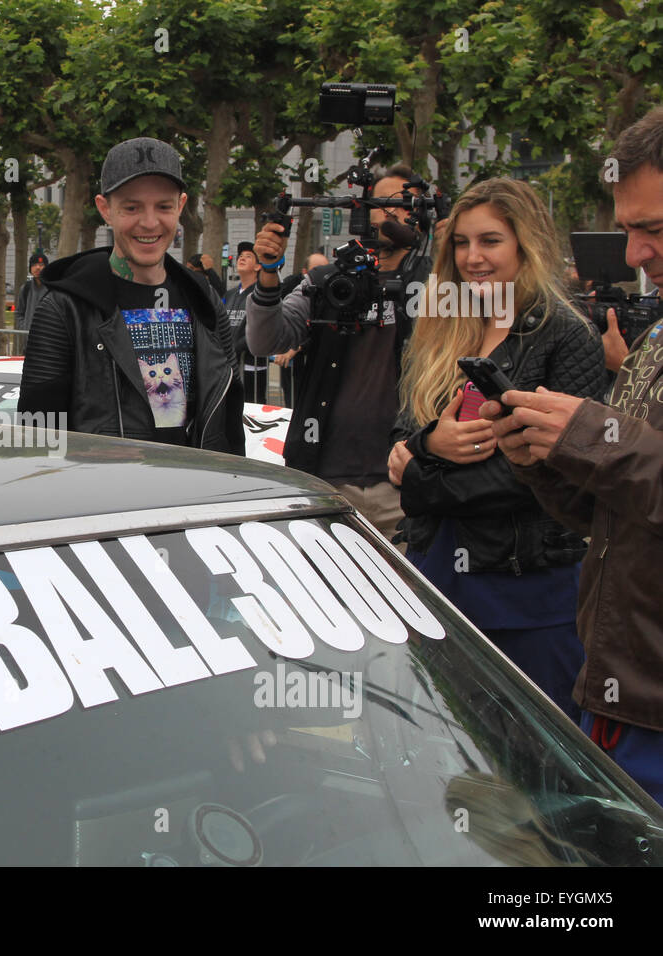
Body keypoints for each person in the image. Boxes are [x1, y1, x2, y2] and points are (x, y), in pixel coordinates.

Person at [486, 107, 663, 803]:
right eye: (627, 229)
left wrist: (594, 435)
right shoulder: (655, 340)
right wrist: (544, 455)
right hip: (622, 694)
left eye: (652, 229)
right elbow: (613, 511)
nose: (633, 256)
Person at [387, 177, 603, 723]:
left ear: (525, 246)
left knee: (538, 766)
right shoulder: (441, 326)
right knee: (454, 754)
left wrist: (421, 481)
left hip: (527, 588)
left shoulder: (565, 334)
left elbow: (549, 473)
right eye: (461, 243)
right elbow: (400, 440)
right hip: (437, 572)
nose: (472, 258)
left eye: (490, 241)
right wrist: (427, 442)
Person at [17, 136, 244, 452]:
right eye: (132, 207)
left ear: (180, 206)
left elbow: (228, 423)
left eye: (163, 206)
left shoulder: (203, 301)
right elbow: (37, 438)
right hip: (108, 498)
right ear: (105, 209)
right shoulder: (63, 310)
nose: (149, 223)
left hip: (195, 495)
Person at [247, 164, 432, 542]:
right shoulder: (326, 280)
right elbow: (265, 341)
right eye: (383, 203)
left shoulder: (440, 286)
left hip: (410, 483)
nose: (393, 213)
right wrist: (268, 274)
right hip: (326, 477)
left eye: (406, 204)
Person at [274, 251, 329, 405]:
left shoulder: (335, 292)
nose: (323, 274)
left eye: (327, 268)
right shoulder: (293, 287)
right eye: (317, 269)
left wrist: (298, 347)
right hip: (295, 365)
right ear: (305, 273)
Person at [226, 242, 270, 404]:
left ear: (258, 266)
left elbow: (260, 327)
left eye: (248, 256)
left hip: (251, 365)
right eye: (240, 256)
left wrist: (236, 348)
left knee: (252, 407)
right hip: (230, 365)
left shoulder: (260, 294)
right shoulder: (230, 295)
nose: (242, 258)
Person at [14, 252, 49, 334]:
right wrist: (24, 328)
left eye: (41, 265)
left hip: (48, 339)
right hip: (28, 339)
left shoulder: (52, 289)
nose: (37, 267)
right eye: (34, 265)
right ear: (30, 268)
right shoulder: (26, 288)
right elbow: (19, 313)